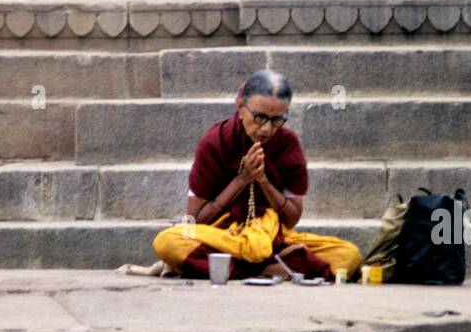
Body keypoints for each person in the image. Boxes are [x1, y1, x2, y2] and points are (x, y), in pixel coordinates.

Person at [151, 70, 362, 280]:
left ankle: (238, 266)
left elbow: (292, 218)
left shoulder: (288, 144)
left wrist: (263, 181)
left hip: (273, 238)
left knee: (348, 256)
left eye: (277, 119)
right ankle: (268, 268)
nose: (267, 129)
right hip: (225, 236)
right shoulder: (216, 142)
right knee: (167, 242)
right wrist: (241, 180)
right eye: (260, 117)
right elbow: (196, 219)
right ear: (240, 106)